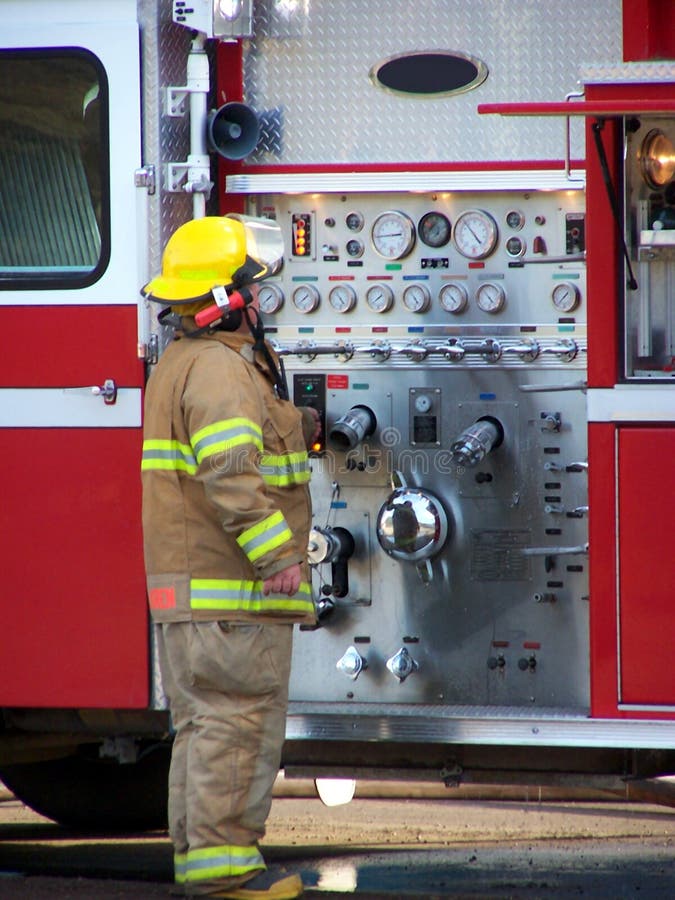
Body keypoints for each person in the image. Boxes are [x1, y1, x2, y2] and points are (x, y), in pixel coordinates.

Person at [140, 215, 318, 899]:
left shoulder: (183, 365)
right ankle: (228, 879)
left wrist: (297, 426)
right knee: (237, 725)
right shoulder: (219, 370)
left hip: (193, 594)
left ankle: (204, 869)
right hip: (231, 595)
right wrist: (277, 556)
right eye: (252, 287)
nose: (259, 300)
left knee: (204, 727)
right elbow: (230, 473)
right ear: (225, 298)